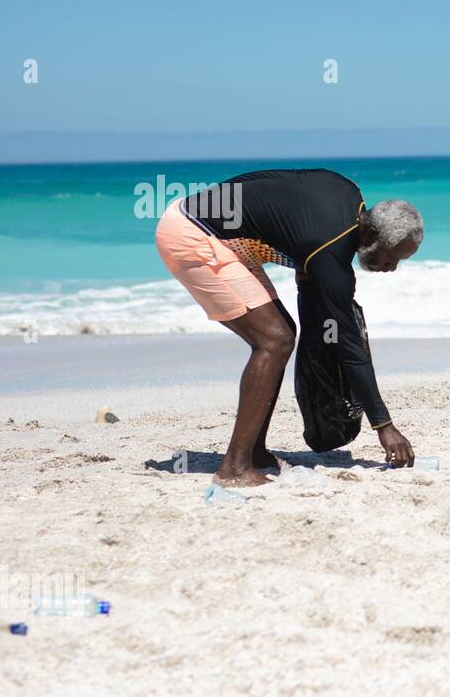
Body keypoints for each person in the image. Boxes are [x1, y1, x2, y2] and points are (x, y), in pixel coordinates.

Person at [154, 168, 422, 485]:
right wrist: (384, 426)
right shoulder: (328, 256)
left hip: (202, 217)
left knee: (282, 334)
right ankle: (234, 469)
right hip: (193, 234)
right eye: (393, 257)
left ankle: (254, 451)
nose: (392, 268)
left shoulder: (348, 192)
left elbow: (279, 190)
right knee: (274, 340)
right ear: (372, 237)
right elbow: (351, 351)